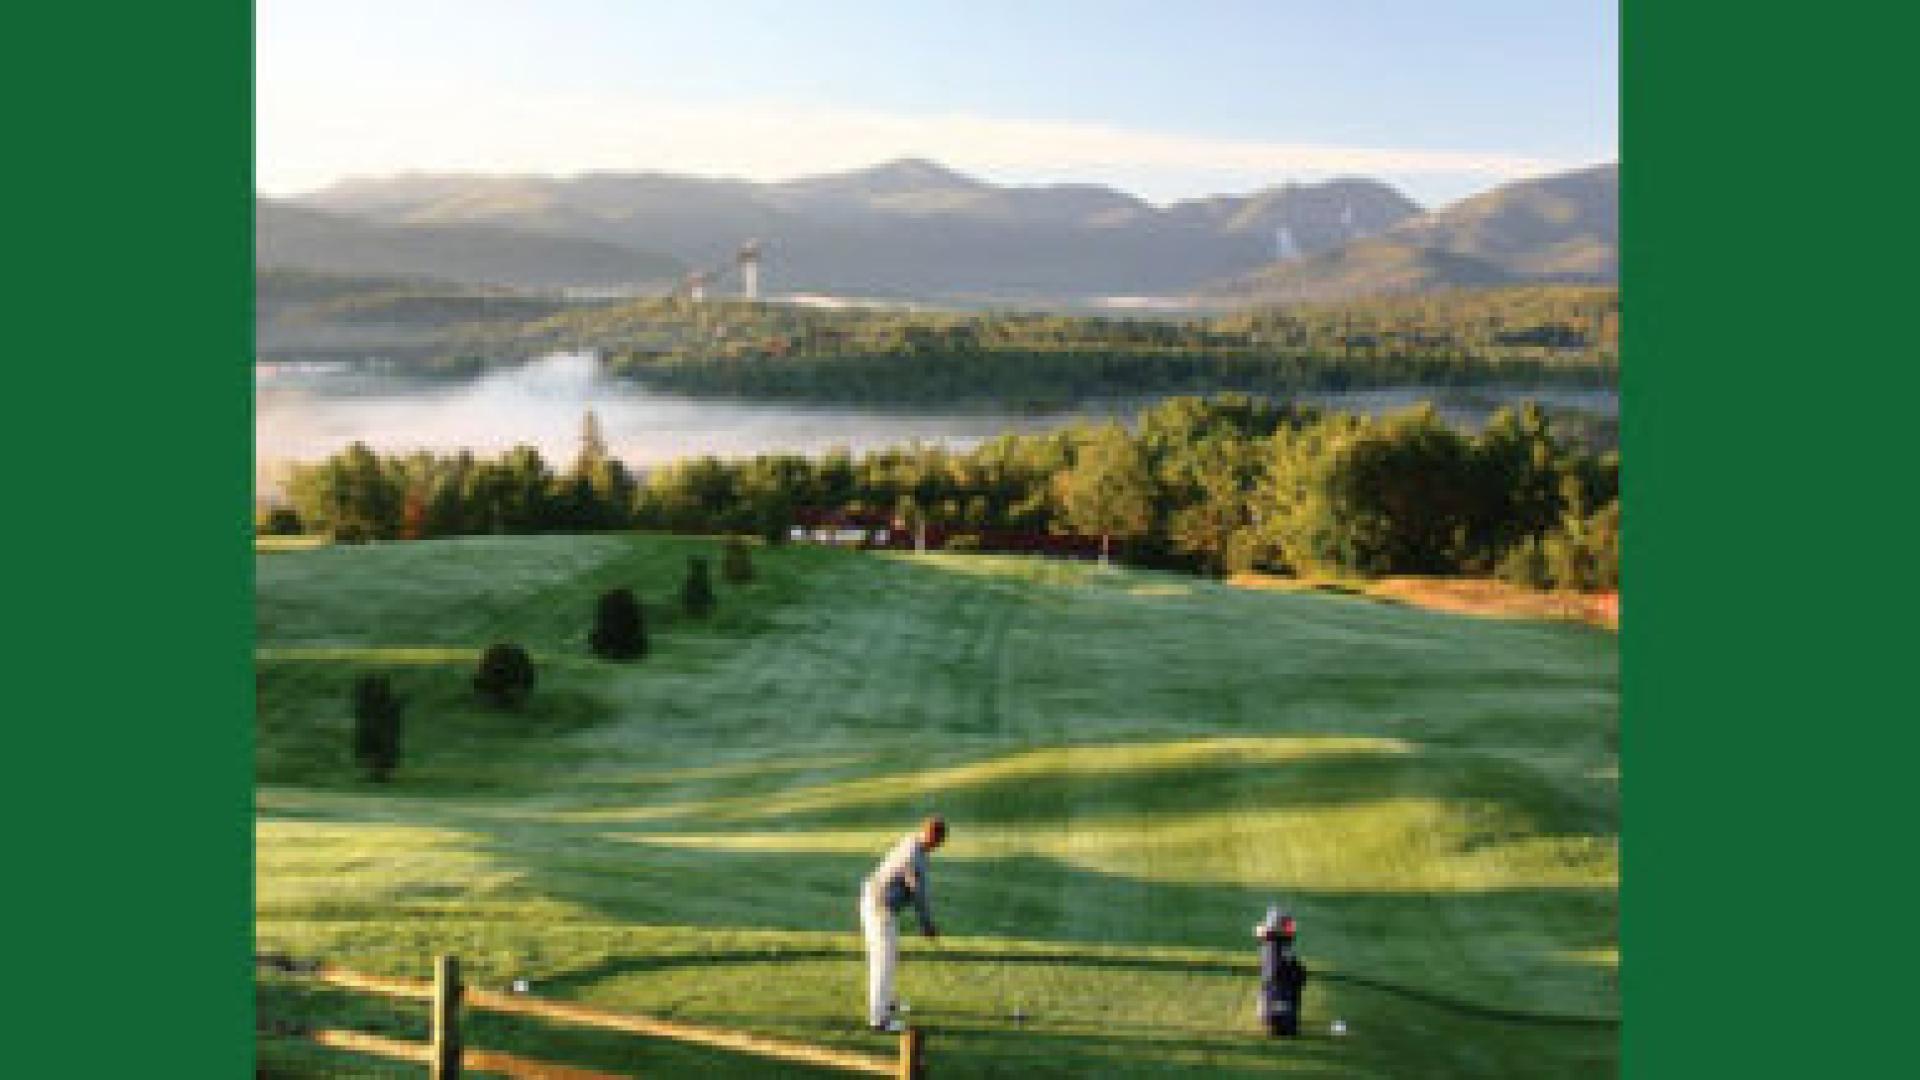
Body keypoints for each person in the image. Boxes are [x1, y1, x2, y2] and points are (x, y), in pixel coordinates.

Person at [859, 815, 947, 1031]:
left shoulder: (915, 845)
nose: (937, 845)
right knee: (883, 960)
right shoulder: (913, 854)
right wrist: (926, 924)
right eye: (936, 840)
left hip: (875, 901)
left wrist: (926, 923)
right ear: (931, 836)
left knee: (888, 956)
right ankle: (879, 1019)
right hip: (880, 906)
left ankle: (887, 1002)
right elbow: (918, 893)